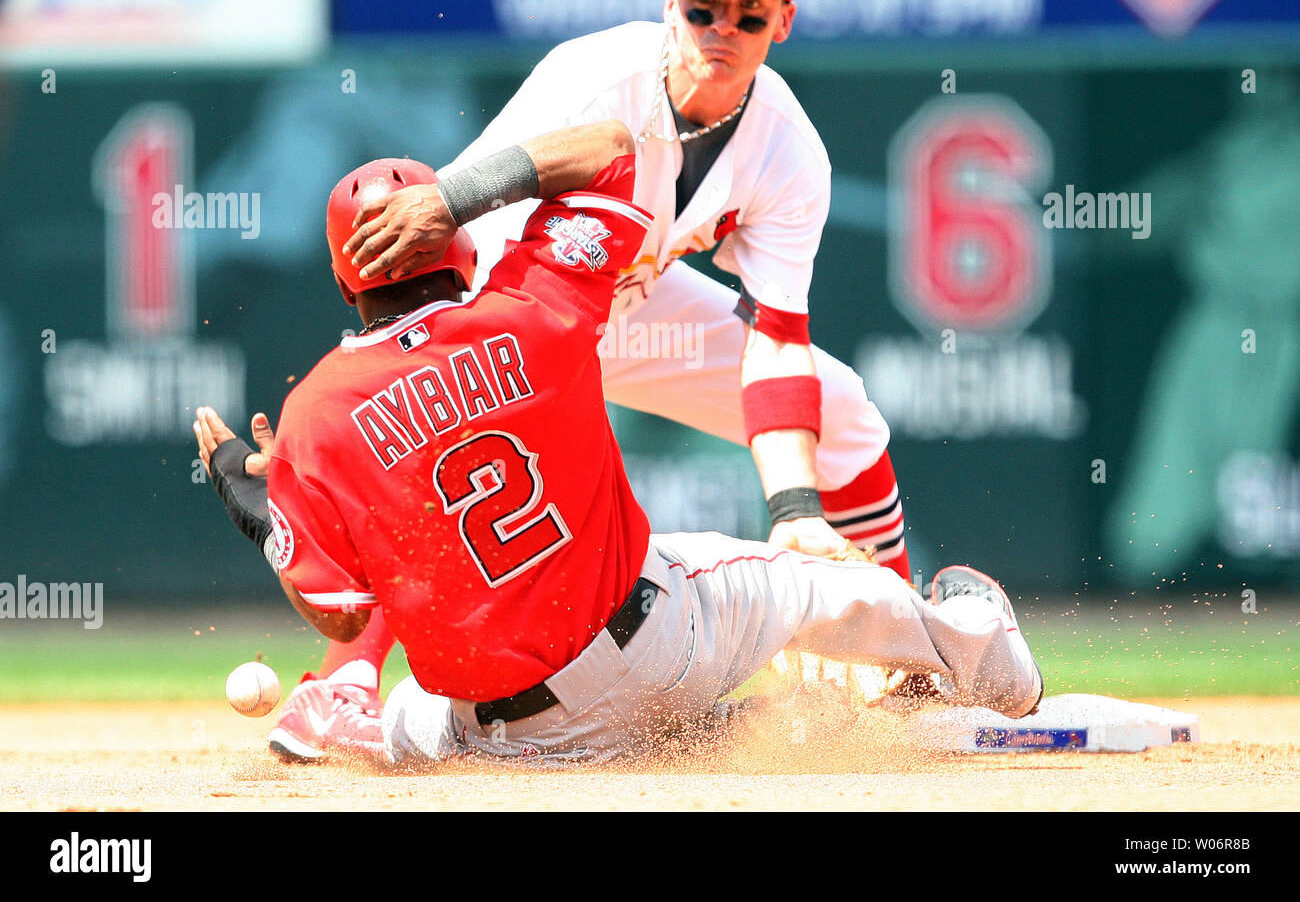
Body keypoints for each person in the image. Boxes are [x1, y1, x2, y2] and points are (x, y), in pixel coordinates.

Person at [260, 0, 929, 761]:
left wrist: (795, 510)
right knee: (444, 439)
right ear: (670, 3)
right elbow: (477, 267)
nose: (722, 29)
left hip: (637, 305)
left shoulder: (789, 151)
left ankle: (907, 668)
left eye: (749, 12)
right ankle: (343, 683)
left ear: (783, 22)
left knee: (844, 410)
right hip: (523, 303)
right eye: (704, 7)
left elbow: (779, 336)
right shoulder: (594, 78)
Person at [195, 122, 1043, 767]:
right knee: (807, 583)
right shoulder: (534, 304)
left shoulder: (312, 418)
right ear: (452, 244)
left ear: (346, 279)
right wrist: (456, 194)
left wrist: (258, 504)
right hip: (650, 645)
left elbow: (338, 611)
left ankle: (717, 733)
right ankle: (987, 654)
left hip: (493, 735)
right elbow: (616, 153)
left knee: (405, 724)